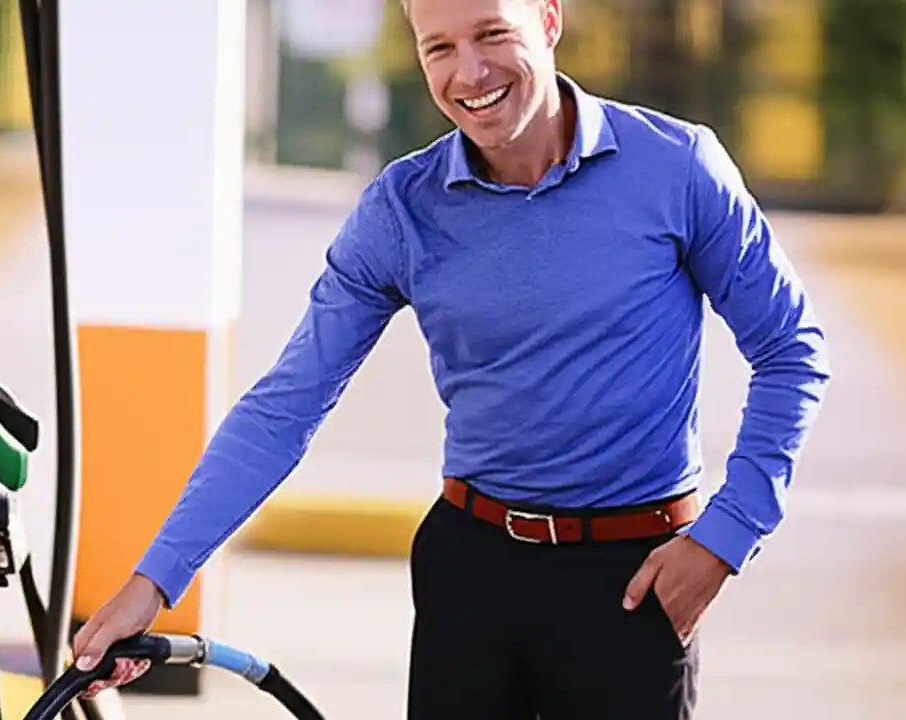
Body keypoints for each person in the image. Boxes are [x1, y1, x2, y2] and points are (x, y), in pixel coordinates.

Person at [72, 0, 832, 716]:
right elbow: (286, 405)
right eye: (440, 47)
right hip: (470, 574)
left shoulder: (677, 168)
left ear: (549, 18)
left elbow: (790, 349)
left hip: (634, 580)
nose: (469, 73)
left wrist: (725, 538)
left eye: (492, 34)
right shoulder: (403, 209)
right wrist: (154, 580)